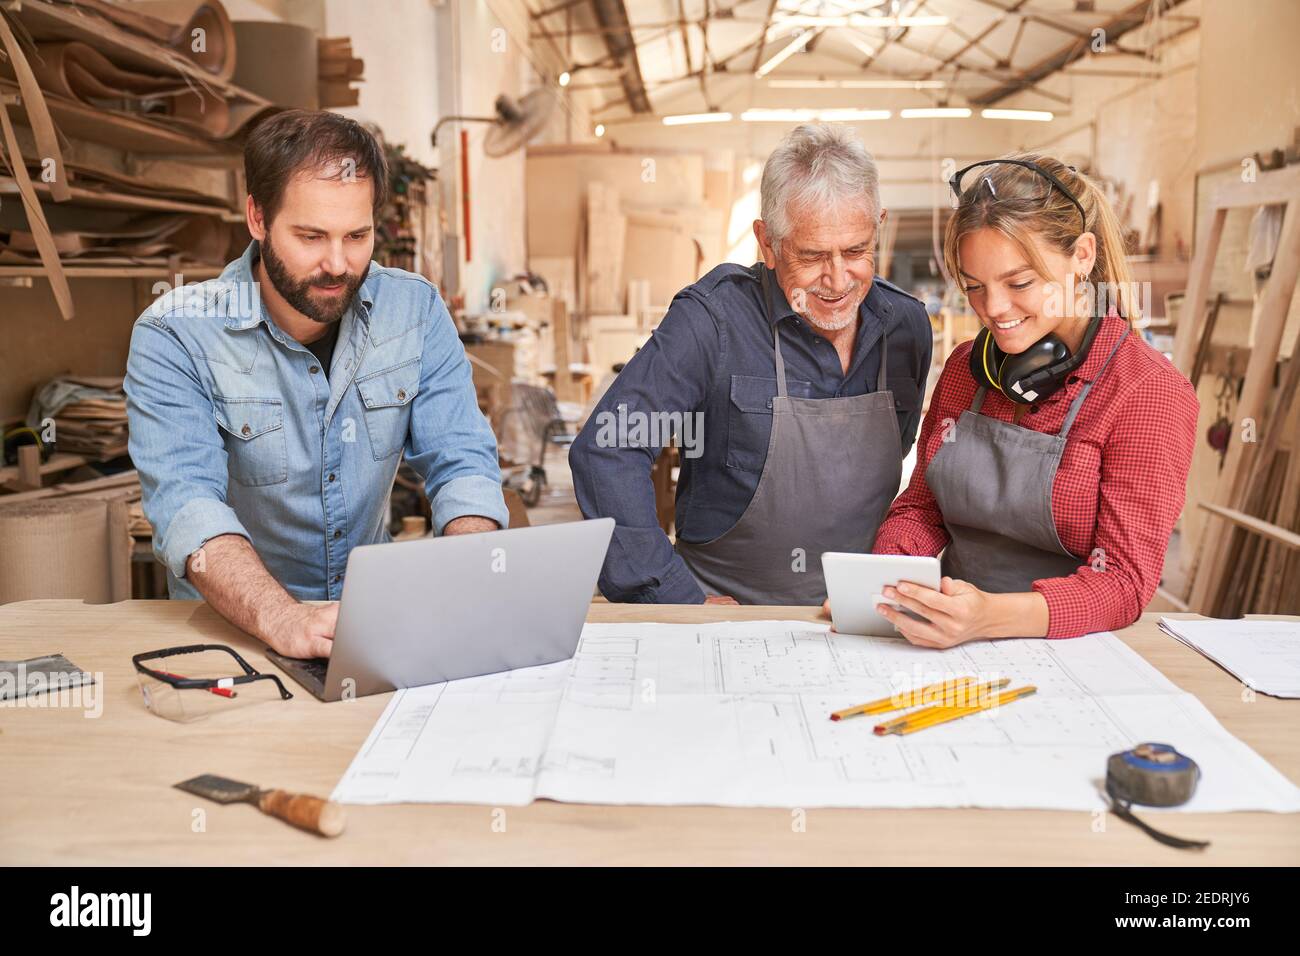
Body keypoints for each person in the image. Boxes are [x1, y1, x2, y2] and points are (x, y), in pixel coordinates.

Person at [126, 110, 507, 659]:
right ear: (257, 218)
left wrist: (469, 571)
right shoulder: (174, 336)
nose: (337, 264)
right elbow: (188, 506)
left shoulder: (416, 310)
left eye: (357, 235)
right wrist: (283, 618)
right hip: (232, 635)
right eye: (310, 236)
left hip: (373, 623)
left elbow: (462, 460)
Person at [831, 153, 1198, 646]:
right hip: (949, 640)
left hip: (1075, 654)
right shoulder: (967, 368)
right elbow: (922, 508)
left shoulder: (1146, 392)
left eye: (1019, 282)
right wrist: (887, 586)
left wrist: (989, 618)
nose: (994, 309)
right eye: (975, 287)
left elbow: (1125, 582)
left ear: (1082, 256)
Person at [570, 123, 931, 605]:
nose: (839, 279)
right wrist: (675, 598)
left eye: (856, 251)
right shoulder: (712, 321)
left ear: (877, 225)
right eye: (812, 255)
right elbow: (607, 452)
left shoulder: (906, 326)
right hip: (726, 620)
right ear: (767, 243)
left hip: (858, 616)